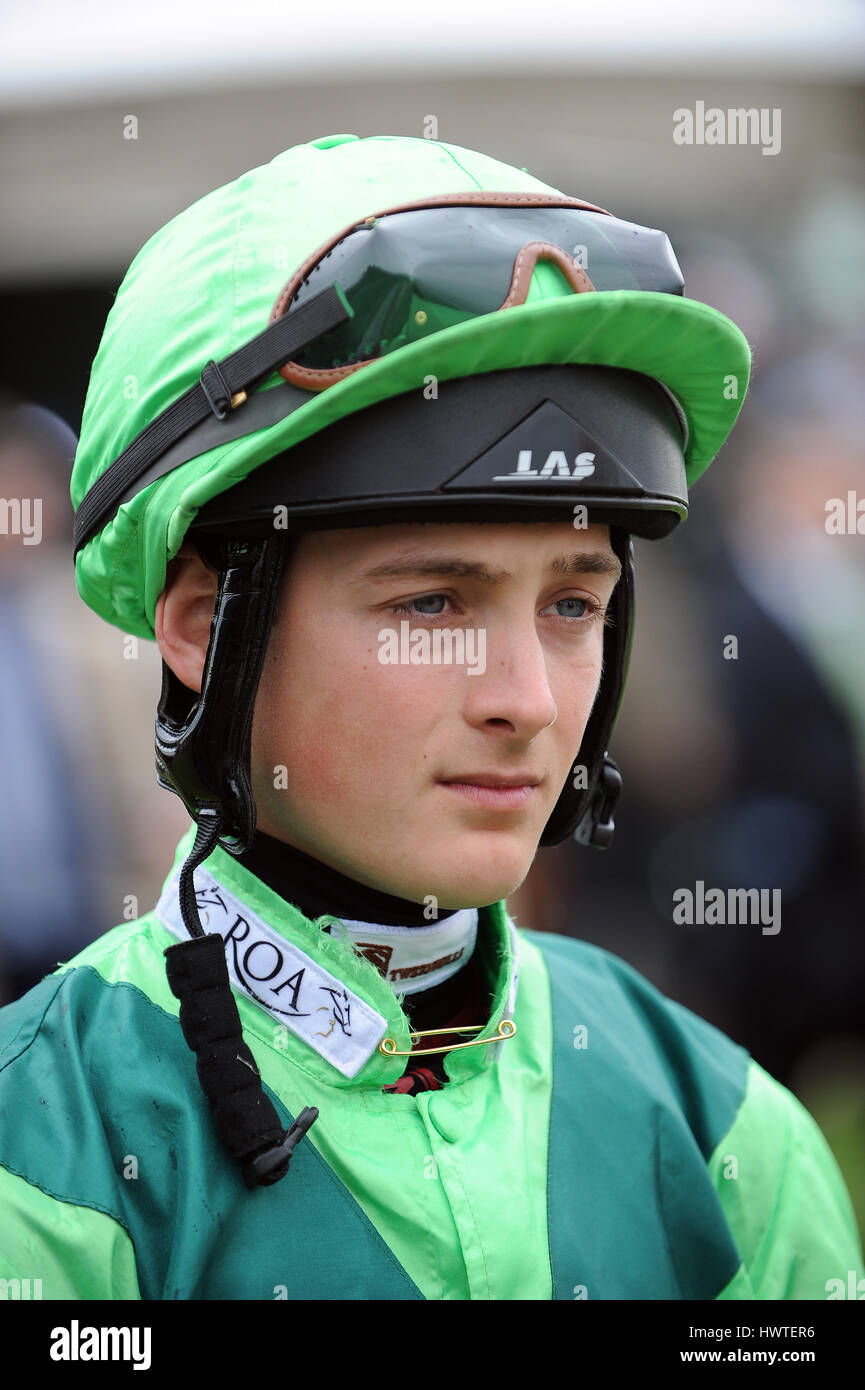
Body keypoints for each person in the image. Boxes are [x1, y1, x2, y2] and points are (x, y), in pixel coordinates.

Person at [0, 133, 861, 1301]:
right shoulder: (38, 1151)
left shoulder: (725, 1130)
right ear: (203, 628)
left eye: (572, 603)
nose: (528, 699)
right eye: (432, 602)